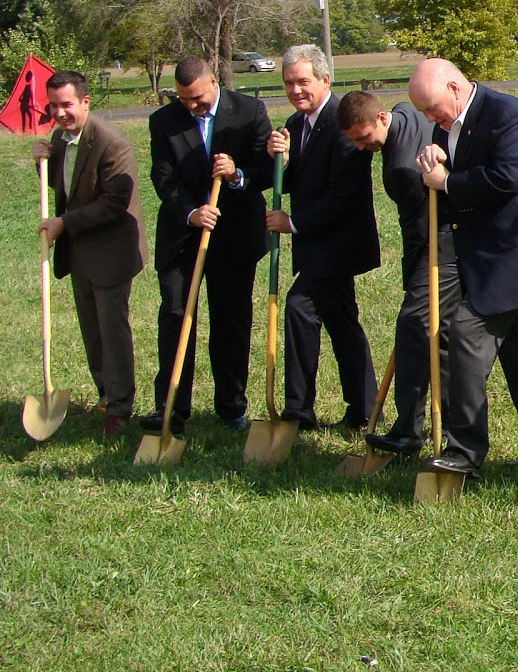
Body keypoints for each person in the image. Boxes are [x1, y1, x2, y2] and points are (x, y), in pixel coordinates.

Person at [410, 58, 518, 478]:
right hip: (484, 255)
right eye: (424, 113)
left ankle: (464, 451)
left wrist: (445, 182)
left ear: (453, 87)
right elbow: (448, 163)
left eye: (431, 108)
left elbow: (508, 178)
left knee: (465, 334)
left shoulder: (507, 113)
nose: (429, 118)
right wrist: (433, 156)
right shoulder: (444, 123)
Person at [144, 55, 272, 434]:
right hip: (183, 236)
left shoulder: (249, 111)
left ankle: (231, 405)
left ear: (214, 81)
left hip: (234, 235)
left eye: (198, 99)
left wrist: (236, 175)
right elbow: (163, 178)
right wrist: (191, 212)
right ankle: (172, 405)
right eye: (184, 100)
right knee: (175, 314)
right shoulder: (163, 122)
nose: (191, 106)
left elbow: (267, 170)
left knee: (231, 318)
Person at [339, 90, 461, 454]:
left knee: (412, 325)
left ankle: (408, 428)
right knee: (438, 338)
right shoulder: (404, 113)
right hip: (448, 237)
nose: (362, 147)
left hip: (440, 246)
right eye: (354, 142)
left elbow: (417, 233)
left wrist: (413, 280)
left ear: (380, 120)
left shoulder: (400, 171)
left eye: (363, 138)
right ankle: (448, 425)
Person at [265, 45, 380, 432]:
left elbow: (344, 194)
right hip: (316, 246)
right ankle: (365, 407)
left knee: (300, 307)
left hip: (340, 244)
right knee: (343, 322)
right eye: (289, 83)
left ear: (324, 79)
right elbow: (298, 178)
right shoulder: (296, 125)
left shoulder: (341, 119)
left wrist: (293, 222)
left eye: (303, 81)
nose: (296, 90)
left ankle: (299, 410)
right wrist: (278, 158)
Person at [33, 71, 146, 438]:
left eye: (66, 104)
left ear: (85, 101)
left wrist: (64, 223)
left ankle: (120, 407)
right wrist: (43, 164)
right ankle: (105, 392)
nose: (60, 113)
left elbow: (114, 202)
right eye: (53, 106)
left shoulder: (112, 144)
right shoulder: (61, 139)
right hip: (81, 251)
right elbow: (68, 185)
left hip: (112, 251)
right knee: (92, 330)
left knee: (112, 331)